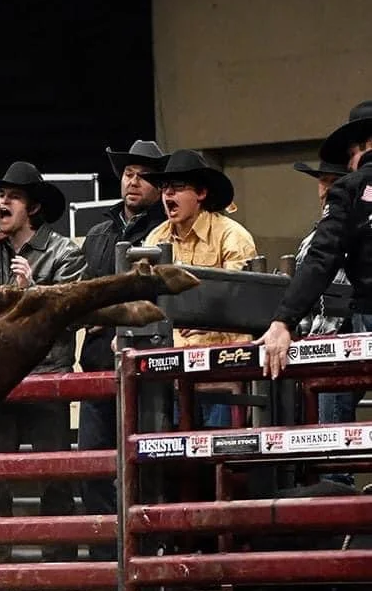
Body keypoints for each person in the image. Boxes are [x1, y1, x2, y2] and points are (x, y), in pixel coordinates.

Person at [0, 161, 86, 591]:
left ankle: (58, 579)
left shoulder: (63, 252)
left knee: (54, 482)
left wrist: (32, 290)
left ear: (34, 208)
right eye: (0, 195)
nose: (2, 203)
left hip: (46, 378)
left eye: (13, 196)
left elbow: (70, 315)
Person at [75, 141, 168, 591]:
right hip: (99, 362)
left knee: (142, 468)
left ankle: (143, 566)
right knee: (93, 466)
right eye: (129, 173)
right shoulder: (99, 232)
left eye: (144, 175)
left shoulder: (163, 230)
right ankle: (105, 567)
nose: (133, 181)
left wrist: (108, 314)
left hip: (145, 366)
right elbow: (84, 288)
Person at [142, 150, 258, 428]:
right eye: (165, 188)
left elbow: (241, 296)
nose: (168, 194)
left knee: (223, 448)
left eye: (178, 187)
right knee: (173, 449)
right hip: (173, 369)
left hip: (223, 366)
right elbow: (142, 293)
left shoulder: (232, 236)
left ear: (202, 193)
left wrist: (202, 317)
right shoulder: (155, 238)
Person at [262, 100, 372, 382]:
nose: (350, 164)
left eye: (352, 154)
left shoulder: (351, 187)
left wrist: (284, 319)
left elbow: (323, 255)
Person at [291, 156, 354, 437]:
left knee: (331, 429)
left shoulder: (355, 228)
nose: (327, 189)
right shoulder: (318, 232)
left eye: (335, 182)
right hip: (313, 341)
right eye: (323, 181)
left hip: (339, 341)